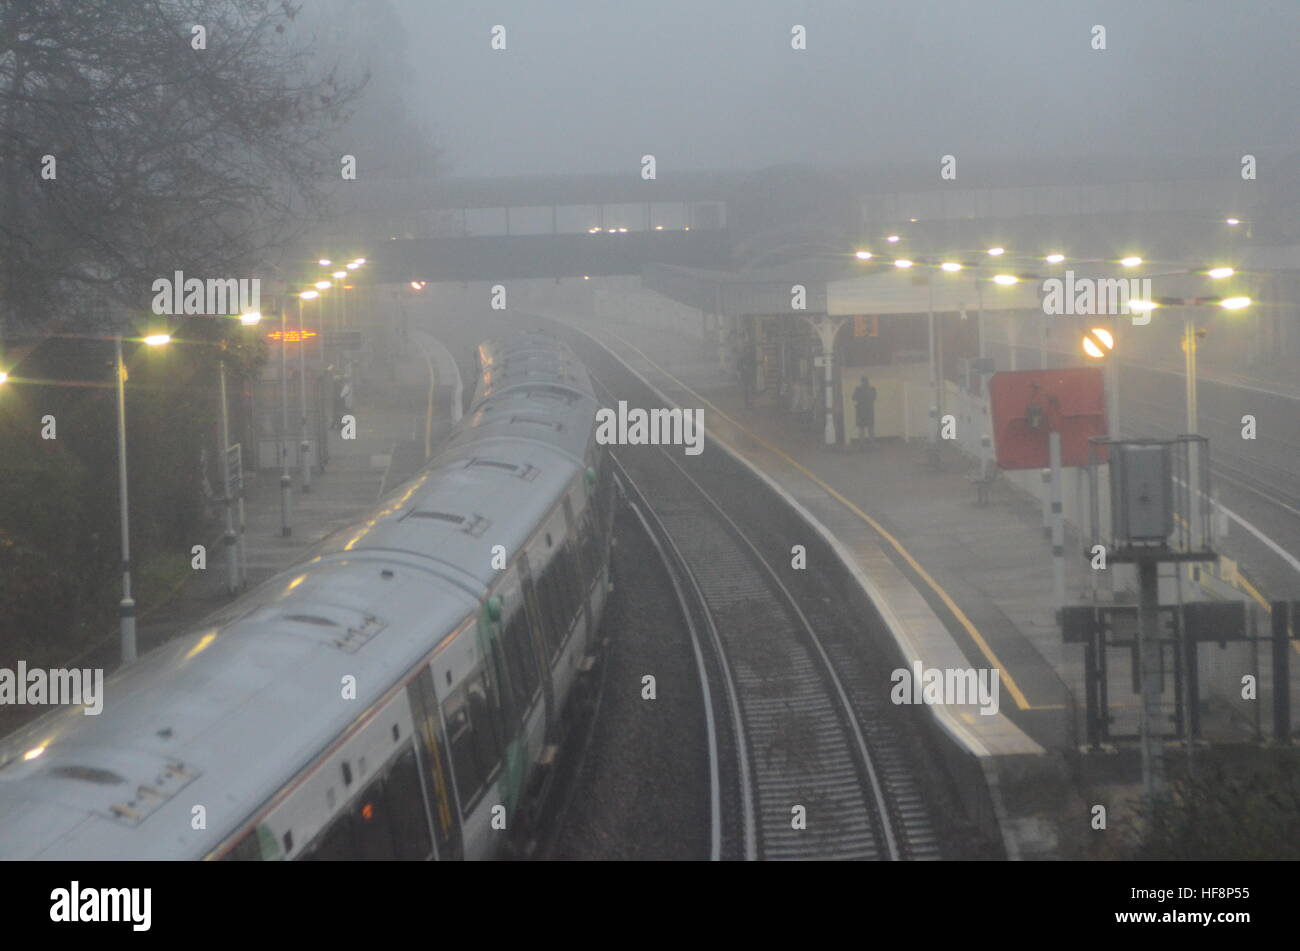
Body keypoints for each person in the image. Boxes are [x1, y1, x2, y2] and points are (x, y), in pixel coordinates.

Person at [852, 375, 876, 446]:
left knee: (861, 429)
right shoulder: (872, 389)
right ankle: (872, 444)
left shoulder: (858, 389)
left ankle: (861, 444)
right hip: (869, 411)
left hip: (861, 411)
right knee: (870, 429)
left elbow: (853, 397)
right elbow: (874, 397)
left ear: (861, 381)